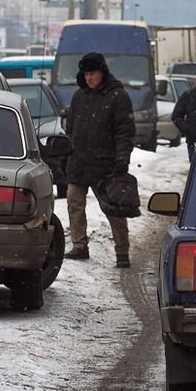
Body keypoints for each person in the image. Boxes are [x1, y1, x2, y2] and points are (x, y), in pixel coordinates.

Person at [63, 52, 136, 268]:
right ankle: (79, 244)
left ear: (102, 73)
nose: (89, 78)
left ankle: (122, 252)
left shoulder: (118, 97)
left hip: (106, 164)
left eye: (92, 73)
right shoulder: (79, 97)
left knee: (114, 209)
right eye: (86, 74)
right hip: (79, 162)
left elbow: (125, 131)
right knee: (74, 202)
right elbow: (70, 128)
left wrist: (122, 158)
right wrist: (69, 149)